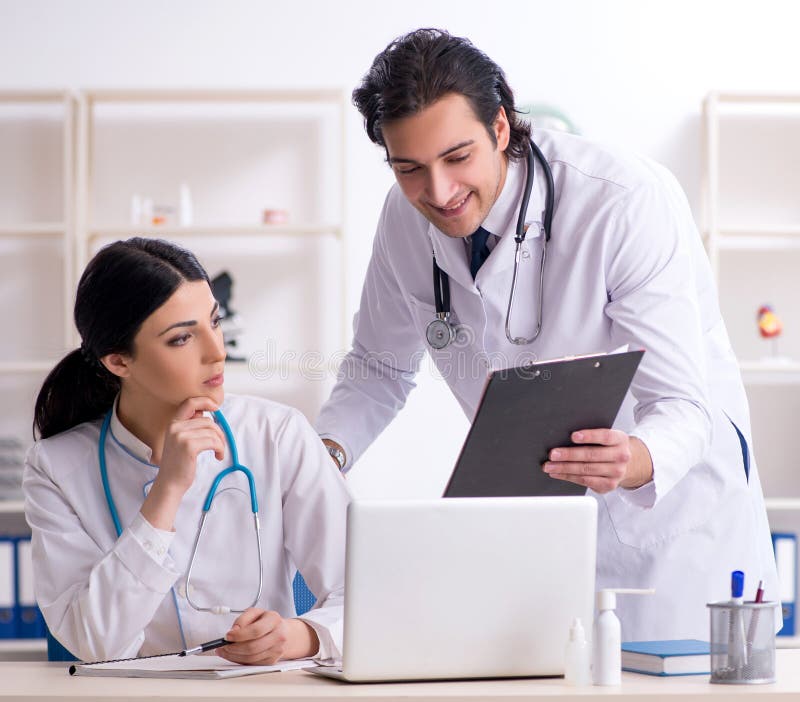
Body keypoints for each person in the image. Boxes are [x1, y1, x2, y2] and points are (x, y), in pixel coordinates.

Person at [316, 28, 779, 640]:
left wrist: (636, 458)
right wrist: (321, 456)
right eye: (409, 169)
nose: (439, 192)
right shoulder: (406, 220)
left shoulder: (623, 203)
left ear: (501, 127)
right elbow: (377, 370)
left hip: (673, 527)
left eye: (458, 158)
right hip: (531, 524)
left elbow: (684, 407)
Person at [24, 238, 350, 664]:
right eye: (181, 339)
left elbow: (369, 596)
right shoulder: (56, 467)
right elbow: (95, 642)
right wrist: (168, 490)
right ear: (119, 361)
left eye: (214, 323)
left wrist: (298, 636)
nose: (217, 352)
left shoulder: (277, 434)